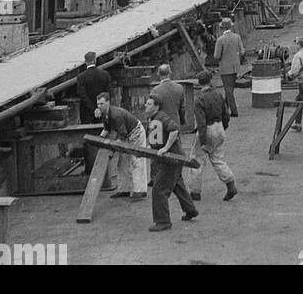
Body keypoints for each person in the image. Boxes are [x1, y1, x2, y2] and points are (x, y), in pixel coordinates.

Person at [144, 95, 199, 232]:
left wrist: (165, 148)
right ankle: (190, 210)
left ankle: (163, 221)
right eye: (146, 103)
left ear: (156, 106)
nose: (146, 105)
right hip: (169, 159)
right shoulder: (153, 118)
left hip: (171, 158)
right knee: (177, 185)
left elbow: (174, 130)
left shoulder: (162, 117)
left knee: (159, 189)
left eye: (149, 104)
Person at [193, 69, 237, 201]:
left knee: (197, 160)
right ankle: (230, 184)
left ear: (199, 83)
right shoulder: (218, 94)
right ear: (210, 80)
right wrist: (224, 127)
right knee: (218, 159)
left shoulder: (199, 99)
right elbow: (226, 114)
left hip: (208, 128)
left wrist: (203, 141)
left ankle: (195, 191)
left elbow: (201, 122)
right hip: (219, 127)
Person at [95, 92, 147, 199]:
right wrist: (98, 140)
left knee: (136, 160)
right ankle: (124, 189)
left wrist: (115, 147)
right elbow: (106, 129)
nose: (99, 106)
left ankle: (140, 190)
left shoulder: (116, 114)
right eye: (98, 104)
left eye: (102, 104)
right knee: (122, 161)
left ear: (108, 102)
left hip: (135, 132)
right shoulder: (104, 114)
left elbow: (122, 134)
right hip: (125, 134)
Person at [213, 18, 245, 118]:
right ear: (231, 26)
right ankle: (225, 108)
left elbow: (216, 56)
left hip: (225, 68)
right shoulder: (237, 37)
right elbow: (242, 51)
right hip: (235, 67)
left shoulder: (220, 40)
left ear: (221, 28)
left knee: (228, 90)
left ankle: (234, 111)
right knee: (230, 88)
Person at [76, 51, 113, 124]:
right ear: (95, 61)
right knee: (104, 129)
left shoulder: (81, 77)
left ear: (85, 62)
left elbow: (82, 94)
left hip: (87, 112)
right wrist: (100, 108)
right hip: (103, 110)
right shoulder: (105, 74)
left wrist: (93, 109)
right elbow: (108, 92)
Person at [150, 63, 187, 127]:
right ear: (170, 73)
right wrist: (182, 120)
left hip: (161, 124)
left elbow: (152, 110)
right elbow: (182, 108)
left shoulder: (155, 91)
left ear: (158, 74)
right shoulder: (179, 88)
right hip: (175, 122)